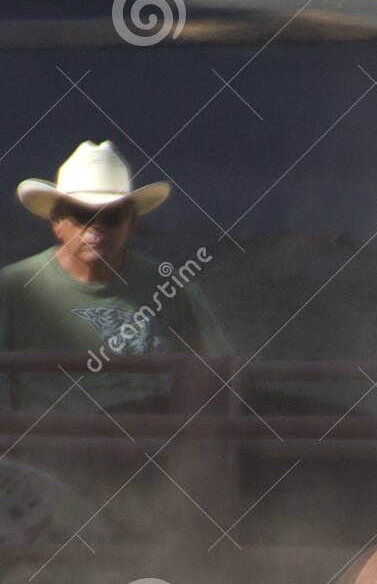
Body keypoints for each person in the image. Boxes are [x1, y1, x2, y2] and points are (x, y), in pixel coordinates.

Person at [0, 139, 225, 416]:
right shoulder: (12, 289)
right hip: (44, 454)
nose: (96, 229)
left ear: (132, 223)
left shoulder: (171, 289)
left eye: (111, 216)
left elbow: (215, 380)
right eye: (82, 214)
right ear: (57, 222)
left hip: (151, 450)